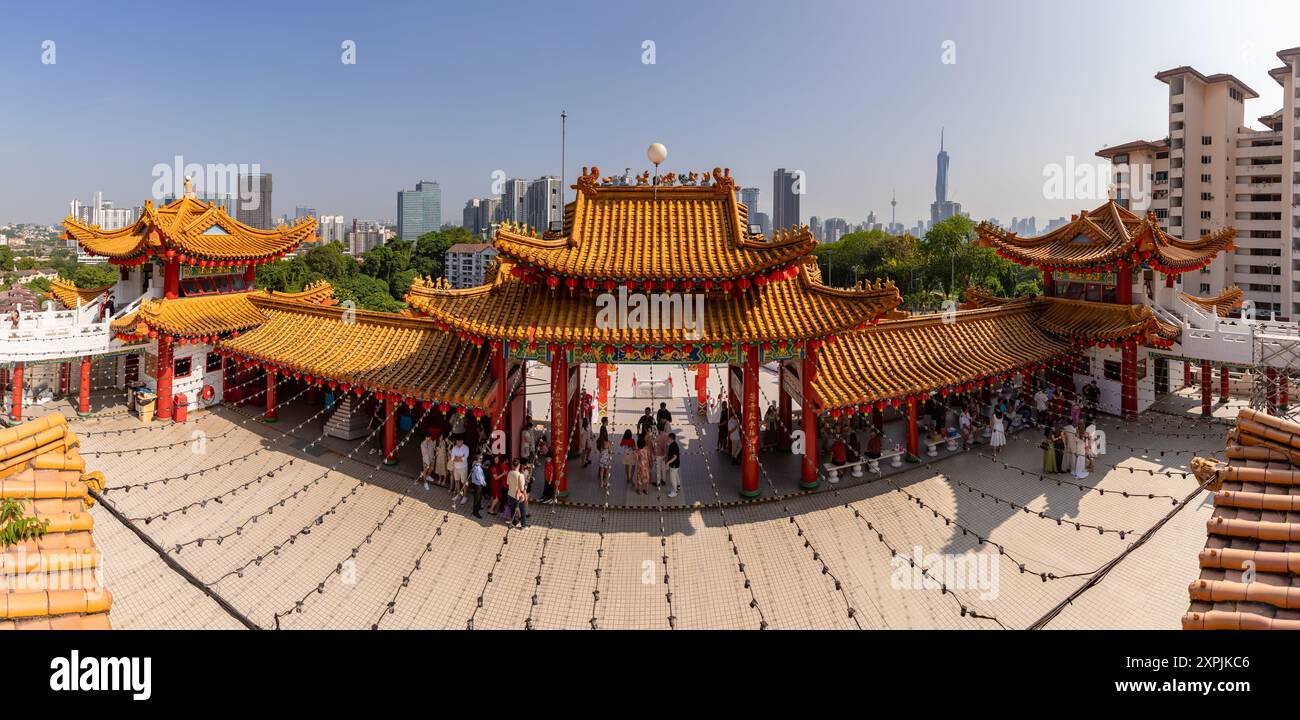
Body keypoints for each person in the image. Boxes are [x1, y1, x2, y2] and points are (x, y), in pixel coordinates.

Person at [506, 459, 527, 528]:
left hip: (510, 494)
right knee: (522, 510)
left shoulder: (509, 473)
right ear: (519, 465)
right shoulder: (520, 476)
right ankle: (523, 525)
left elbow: (507, 483)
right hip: (518, 496)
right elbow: (522, 488)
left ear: (512, 465)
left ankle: (513, 523)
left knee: (512, 510)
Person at [449, 437, 469, 504]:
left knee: (464, 482)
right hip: (456, 467)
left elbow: (464, 458)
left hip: (463, 468)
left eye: (459, 442)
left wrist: (456, 457)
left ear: (462, 441)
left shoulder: (466, 448)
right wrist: (459, 457)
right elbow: (452, 458)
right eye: (457, 442)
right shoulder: (454, 448)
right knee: (457, 481)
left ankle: (465, 496)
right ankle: (458, 494)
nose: (457, 443)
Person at [665, 432, 681, 498]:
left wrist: (668, 462)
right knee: (676, 474)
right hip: (676, 464)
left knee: (672, 478)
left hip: (674, 465)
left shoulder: (674, 446)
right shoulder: (672, 444)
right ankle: (678, 485)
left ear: (671, 439)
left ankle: (675, 491)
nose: (667, 439)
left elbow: (675, 457)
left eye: (668, 438)